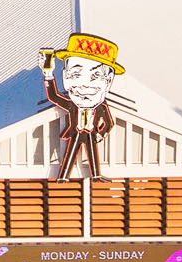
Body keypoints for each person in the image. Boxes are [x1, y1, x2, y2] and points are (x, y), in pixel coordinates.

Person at [39, 33, 123, 180]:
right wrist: (48, 75)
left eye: (95, 76)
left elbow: (109, 123)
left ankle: (96, 175)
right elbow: (53, 96)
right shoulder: (72, 105)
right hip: (76, 133)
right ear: (64, 76)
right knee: (71, 153)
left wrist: (99, 134)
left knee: (91, 153)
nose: (84, 85)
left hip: (90, 133)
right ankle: (63, 177)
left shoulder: (101, 107)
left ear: (109, 81)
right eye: (76, 75)